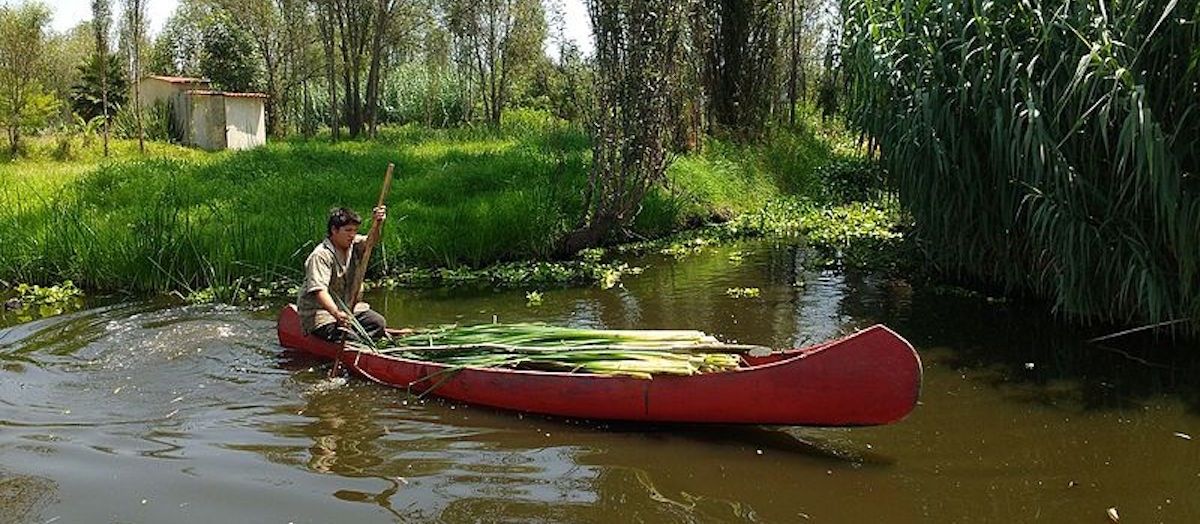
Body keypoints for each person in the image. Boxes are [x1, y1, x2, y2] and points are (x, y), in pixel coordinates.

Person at [296, 206, 388, 342]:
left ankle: (361, 340)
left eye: (355, 231)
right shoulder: (321, 255)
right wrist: (336, 313)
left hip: (350, 309)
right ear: (334, 230)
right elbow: (319, 290)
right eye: (348, 230)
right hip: (323, 314)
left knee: (378, 323)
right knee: (348, 337)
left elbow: (371, 242)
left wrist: (378, 223)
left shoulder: (354, 244)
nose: (352, 235)